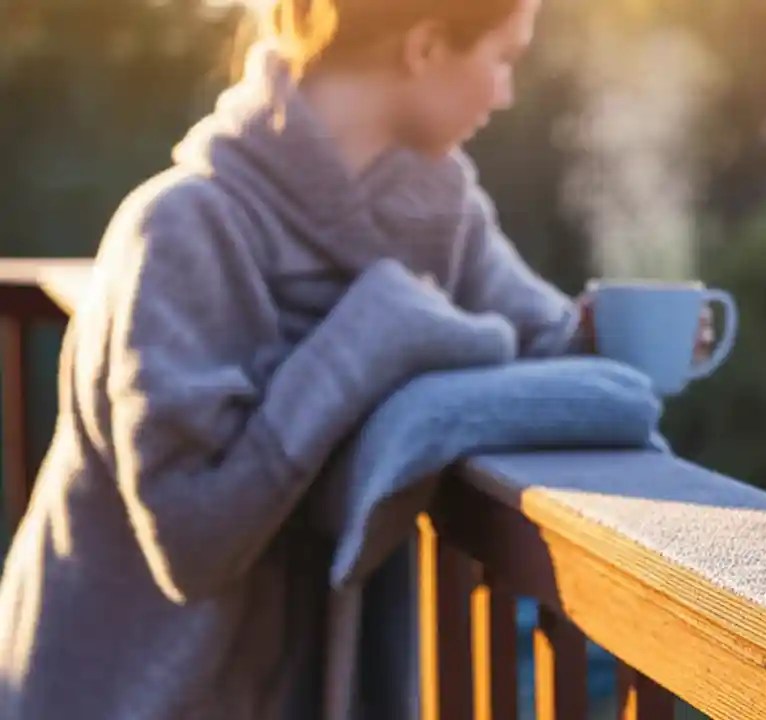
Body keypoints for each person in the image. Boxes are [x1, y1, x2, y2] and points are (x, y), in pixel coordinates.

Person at [0, 0, 682, 717]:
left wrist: (632, 332)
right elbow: (192, 541)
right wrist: (378, 336)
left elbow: (547, 347)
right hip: (118, 697)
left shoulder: (434, 208)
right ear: (423, 49)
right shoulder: (183, 229)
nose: (506, 92)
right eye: (503, 59)